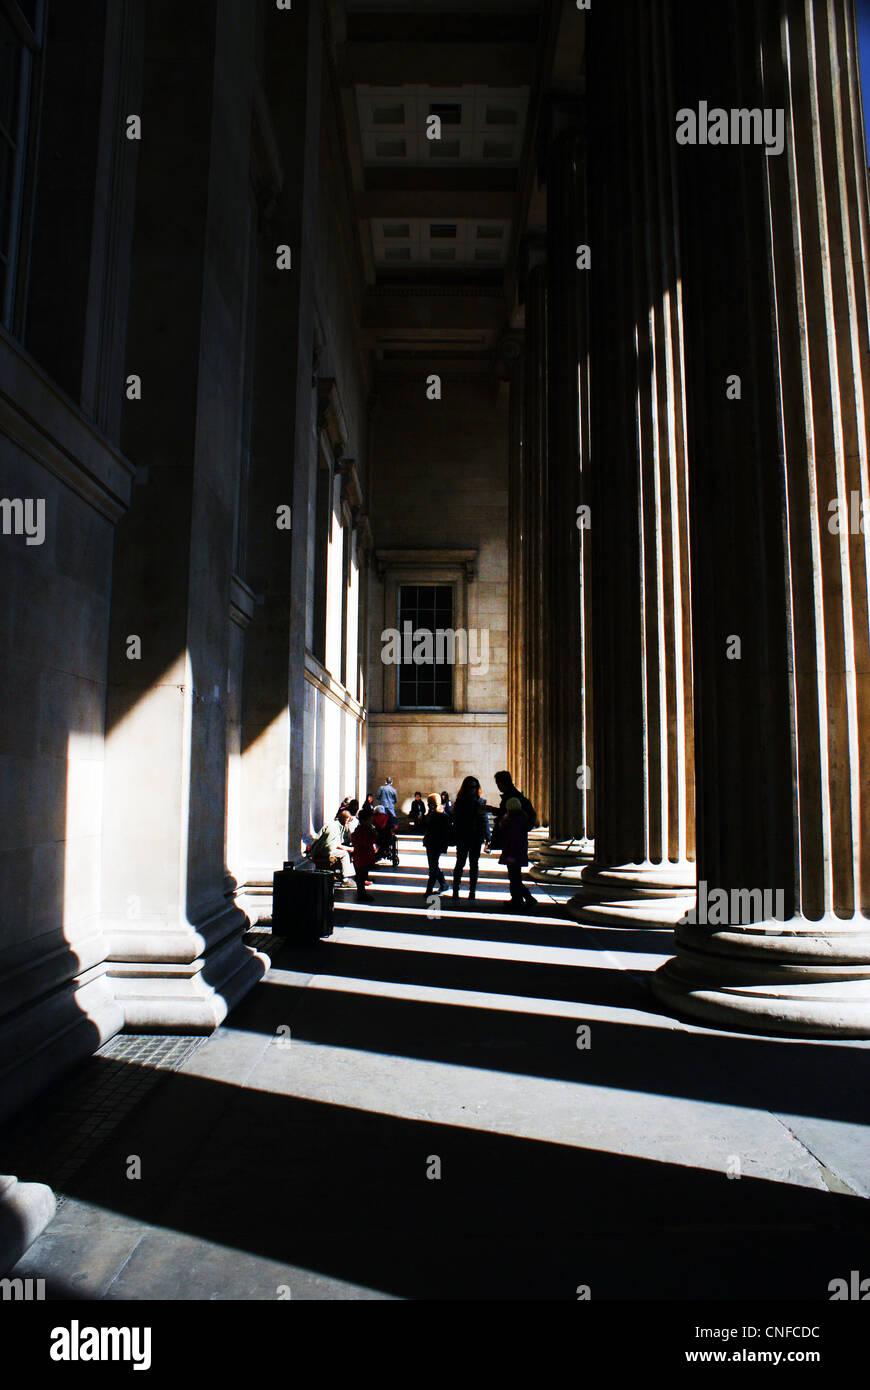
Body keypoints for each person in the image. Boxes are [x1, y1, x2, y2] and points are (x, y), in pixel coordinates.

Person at [450, 775, 488, 901]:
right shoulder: (460, 802)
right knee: (460, 863)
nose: (472, 789)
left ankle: (472, 891)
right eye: (470, 787)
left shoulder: (480, 802)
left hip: (476, 837)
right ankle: (456, 890)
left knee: (474, 864)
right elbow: (455, 819)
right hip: (463, 836)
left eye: (475, 787)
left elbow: (484, 820)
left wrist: (488, 837)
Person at [499, 797, 536, 908]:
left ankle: (519, 899)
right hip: (517, 854)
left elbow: (514, 839)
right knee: (515, 878)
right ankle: (520, 898)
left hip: (513, 855)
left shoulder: (514, 821)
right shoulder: (521, 819)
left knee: (514, 878)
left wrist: (511, 855)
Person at [489, 770, 538, 851]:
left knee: (512, 860)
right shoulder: (514, 795)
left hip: (511, 837)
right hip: (514, 836)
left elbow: (507, 815)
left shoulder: (512, 798)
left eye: (498, 783)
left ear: (502, 783)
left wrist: (493, 811)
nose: (498, 786)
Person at [306, 810, 354, 885]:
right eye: (348, 821)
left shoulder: (332, 824)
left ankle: (338, 874)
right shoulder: (335, 827)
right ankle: (346, 878)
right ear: (346, 819)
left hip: (318, 850)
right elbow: (336, 845)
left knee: (344, 852)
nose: (348, 823)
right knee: (344, 854)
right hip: (324, 852)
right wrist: (351, 849)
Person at [421, 793, 452, 896]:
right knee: (434, 865)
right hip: (433, 843)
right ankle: (444, 884)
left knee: (433, 866)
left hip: (434, 843)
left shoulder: (439, 815)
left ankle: (429, 890)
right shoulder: (439, 814)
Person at [350, 805, 379, 901]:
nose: (371, 822)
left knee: (362, 875)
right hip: (362, 856)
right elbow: (364, 843)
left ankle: (362, 893)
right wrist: (373, 835)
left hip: (362, 856)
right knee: (360, 876)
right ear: (364, 820)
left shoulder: (363, 829)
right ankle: (361, 894)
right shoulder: (363, 830)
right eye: (370, 820)